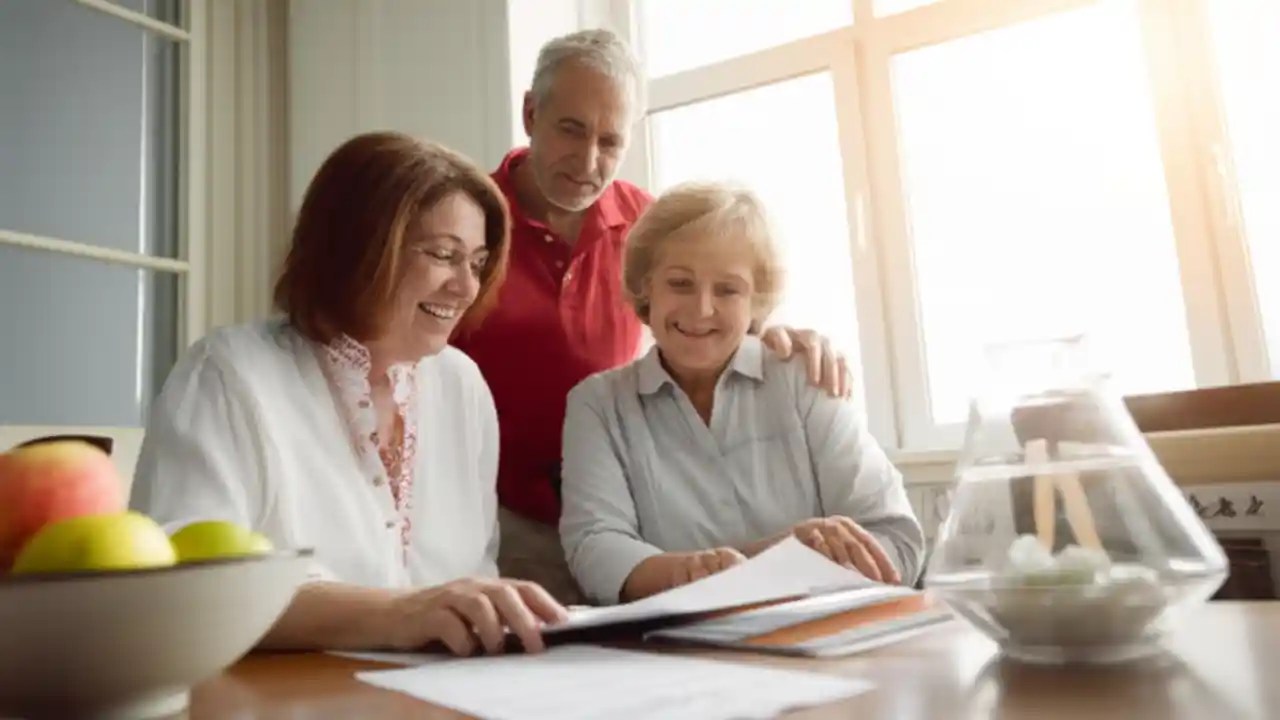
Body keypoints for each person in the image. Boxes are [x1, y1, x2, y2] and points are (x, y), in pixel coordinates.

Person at [453, 29, 854, 604]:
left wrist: (782, 334)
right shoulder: (472, 216)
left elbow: (716, 314)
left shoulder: (647, 222)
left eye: (610, 141)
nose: (589, 161)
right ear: (531, 112)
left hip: (631, 510)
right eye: (571, 129)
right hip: (505, 515)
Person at [130, 132, 568, 655]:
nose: (467, 287)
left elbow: (476, 568)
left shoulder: (463, 385)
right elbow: (186, 590)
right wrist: (398, 614)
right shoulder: (228, 374)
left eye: (475, 262)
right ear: (357, 247)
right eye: (443, 255)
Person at [558, 183, 925, 604]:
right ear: (646, 288)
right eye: (680, 283)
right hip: (676, 649)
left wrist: (740, 572)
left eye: (728, 289)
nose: (701, 309)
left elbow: (896, 537)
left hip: (821, 643)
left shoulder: (803, 377)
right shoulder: (598, 404)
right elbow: (597, 548)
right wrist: (755, 563)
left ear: (757, 301)